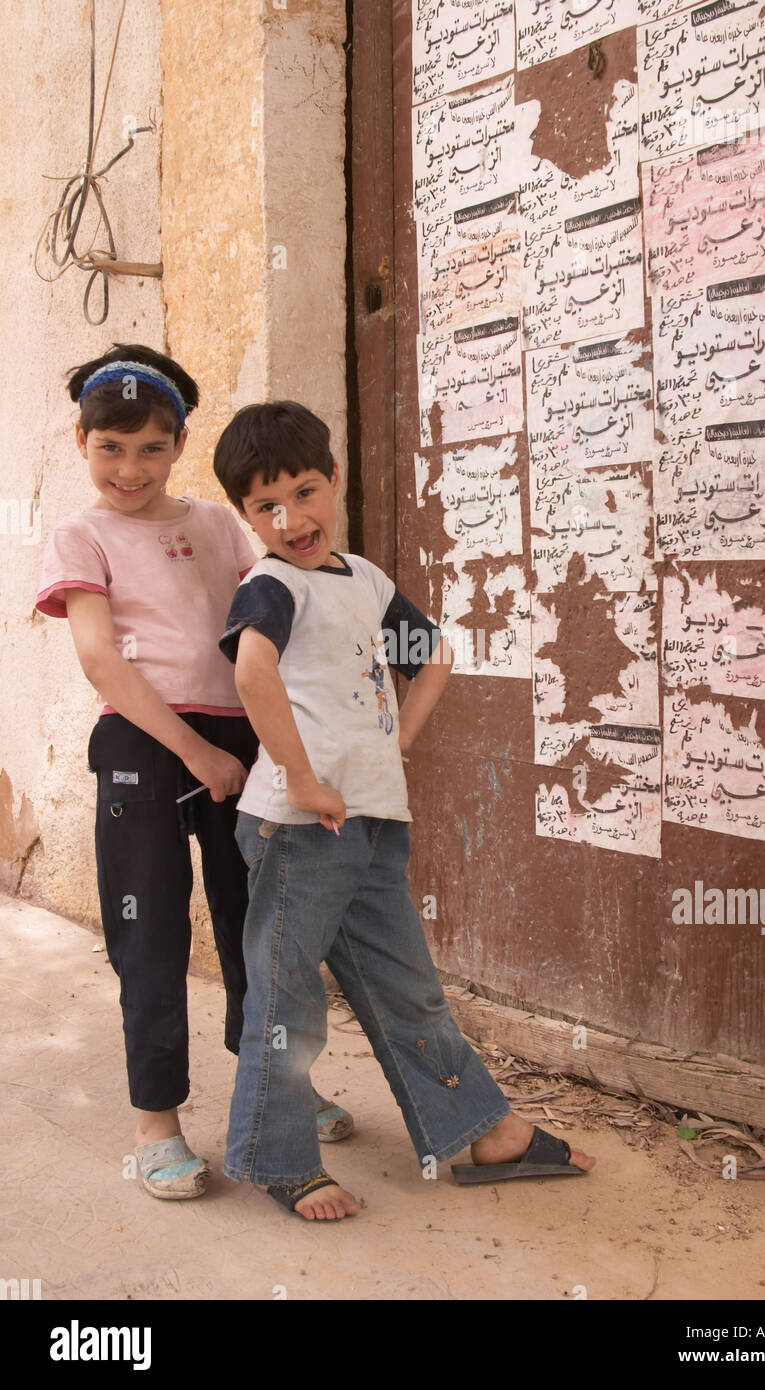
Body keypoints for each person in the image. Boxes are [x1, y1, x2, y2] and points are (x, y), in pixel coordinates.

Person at [212, 400, 596, 1220]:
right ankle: (276, 1160)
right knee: (289, 1001)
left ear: (334, 480)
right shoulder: (272, 585)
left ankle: (482, 1131)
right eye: (265, 507)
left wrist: (399, 746)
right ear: (245, 517)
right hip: (296, 826)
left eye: (305, 493)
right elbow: (252, 677)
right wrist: (303, 777)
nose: (292, 518)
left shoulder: (364, 578)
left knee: (409, 986)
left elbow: (432, 655)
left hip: (372, 821)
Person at [35, 347, 353, 1201]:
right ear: (81, 442)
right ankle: (156, 1126)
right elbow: (103, 662)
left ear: (178, 444)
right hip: (145, 745)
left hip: (241, 739)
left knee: (260, 923)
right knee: (151, 935)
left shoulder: (219, 526)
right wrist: (195, 753)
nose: (129, 469)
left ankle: (278, 1083)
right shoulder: (80, 534)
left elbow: (275, 618)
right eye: (110, 448)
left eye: (149, 448)